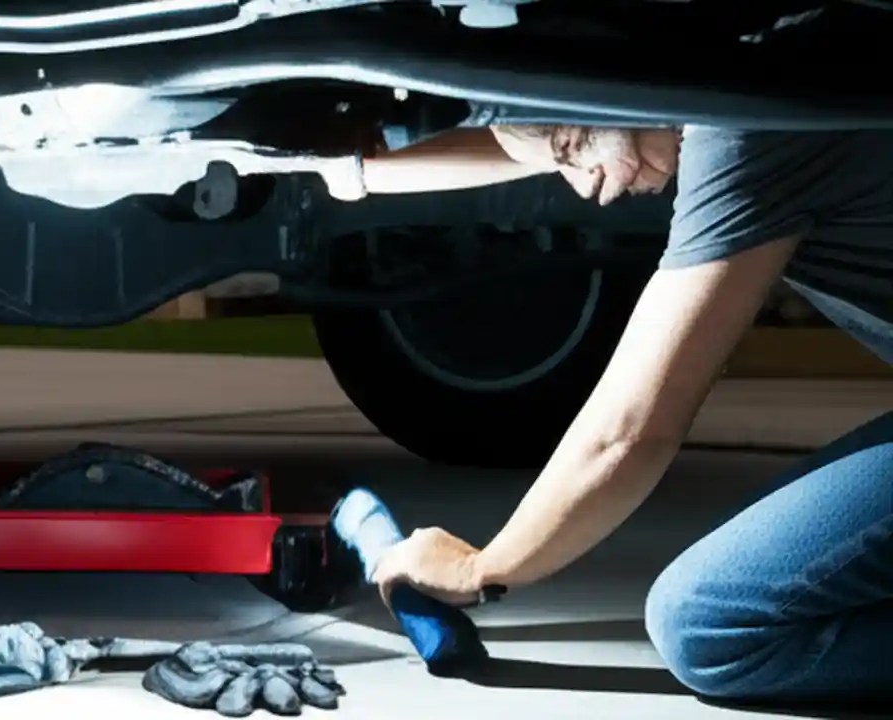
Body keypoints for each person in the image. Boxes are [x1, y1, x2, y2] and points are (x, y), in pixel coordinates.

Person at [355, 123, 893, 702]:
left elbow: (629, 434)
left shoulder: (747, 128)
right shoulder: (750, 84)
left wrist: (479, 570)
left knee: (708, 625)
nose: (588, 189)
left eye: (570, 146)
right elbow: (536, 143)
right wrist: (346, 170)